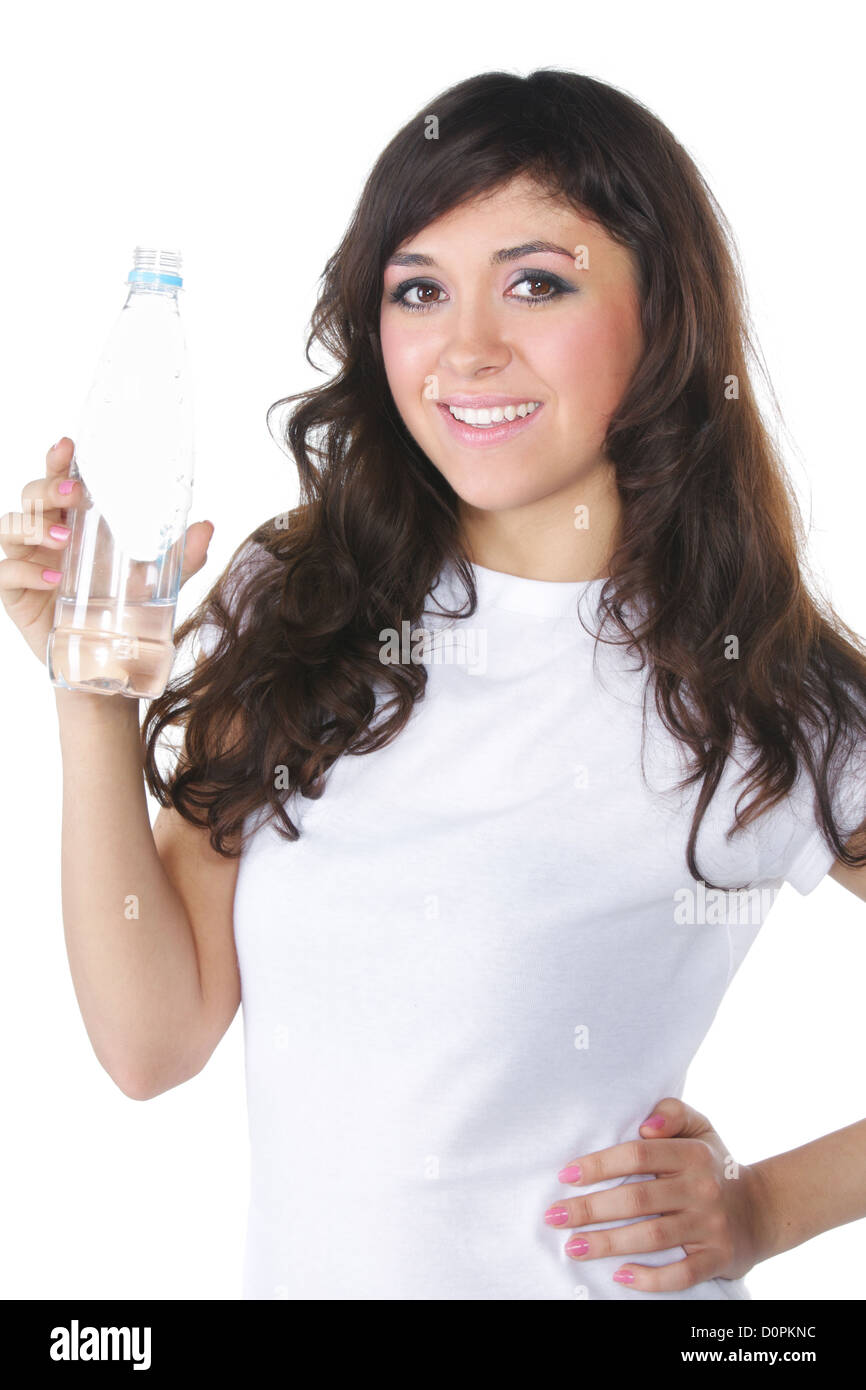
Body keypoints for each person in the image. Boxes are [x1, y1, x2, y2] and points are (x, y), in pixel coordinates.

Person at [5, 68, 866, 1302]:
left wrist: (765, 1207)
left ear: (661, 313)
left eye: (537, 282)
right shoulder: (298, 601)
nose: (466, 349)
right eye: (418, 290)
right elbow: (151, 1043)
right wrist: (89, 684)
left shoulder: (759, 692)